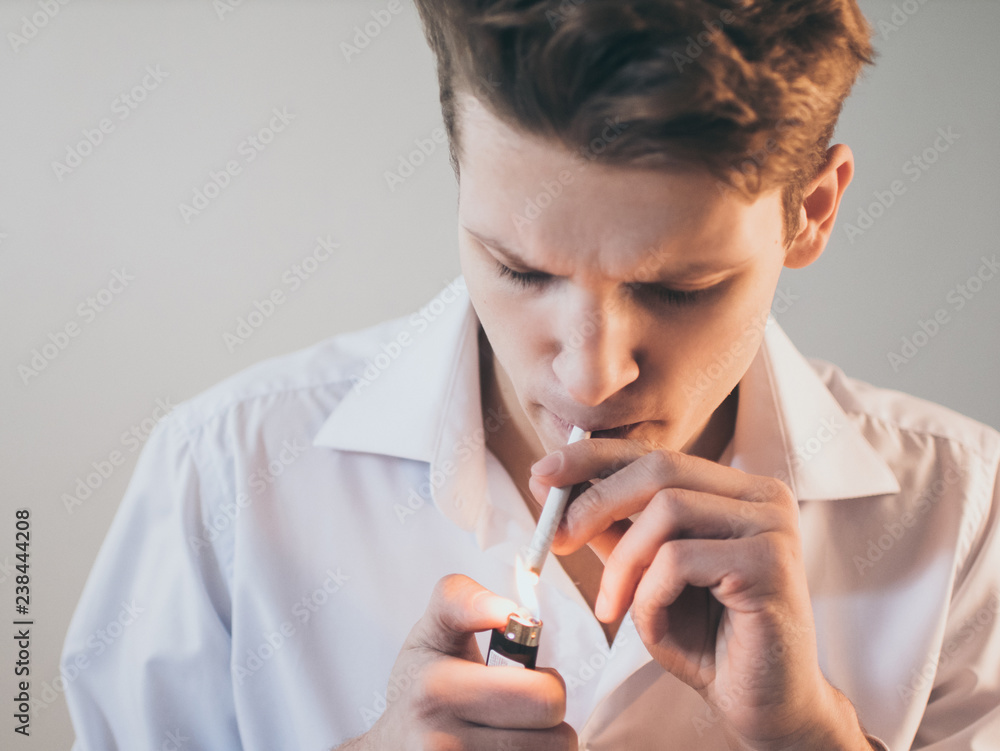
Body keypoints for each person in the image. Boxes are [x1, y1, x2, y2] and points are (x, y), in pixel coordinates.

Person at [61, 1, 1000, 749]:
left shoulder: (964, 516)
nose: (592, 373)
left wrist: (814, 743)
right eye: (522, 270)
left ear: (814, 212)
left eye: (679, 288)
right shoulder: (222, 473)